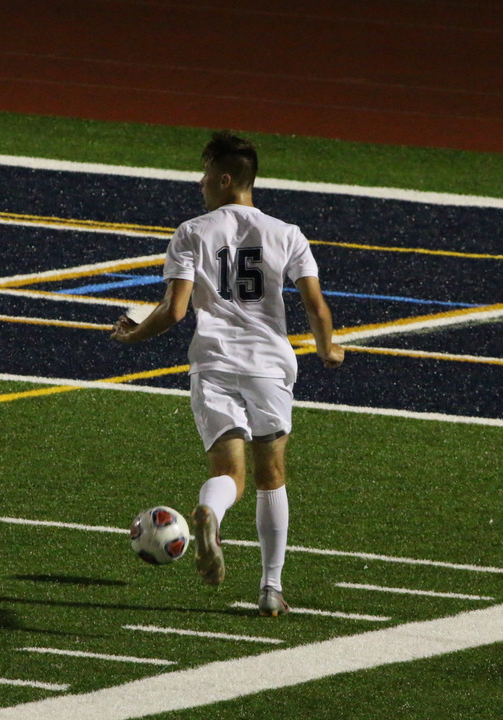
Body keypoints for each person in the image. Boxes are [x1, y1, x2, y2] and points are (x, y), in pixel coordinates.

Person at [111, 130, 344, 617]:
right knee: (271, 476)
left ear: (223, 178)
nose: (199, 184)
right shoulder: (288, 234)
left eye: (203, 174)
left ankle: (212, 515)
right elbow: (316, 306)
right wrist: (327, 349)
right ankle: (270, 588)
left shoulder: (191, 232)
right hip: (268, 368)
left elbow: (174, 311)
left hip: (214, 364)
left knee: (226, 473)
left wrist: (134, 335)